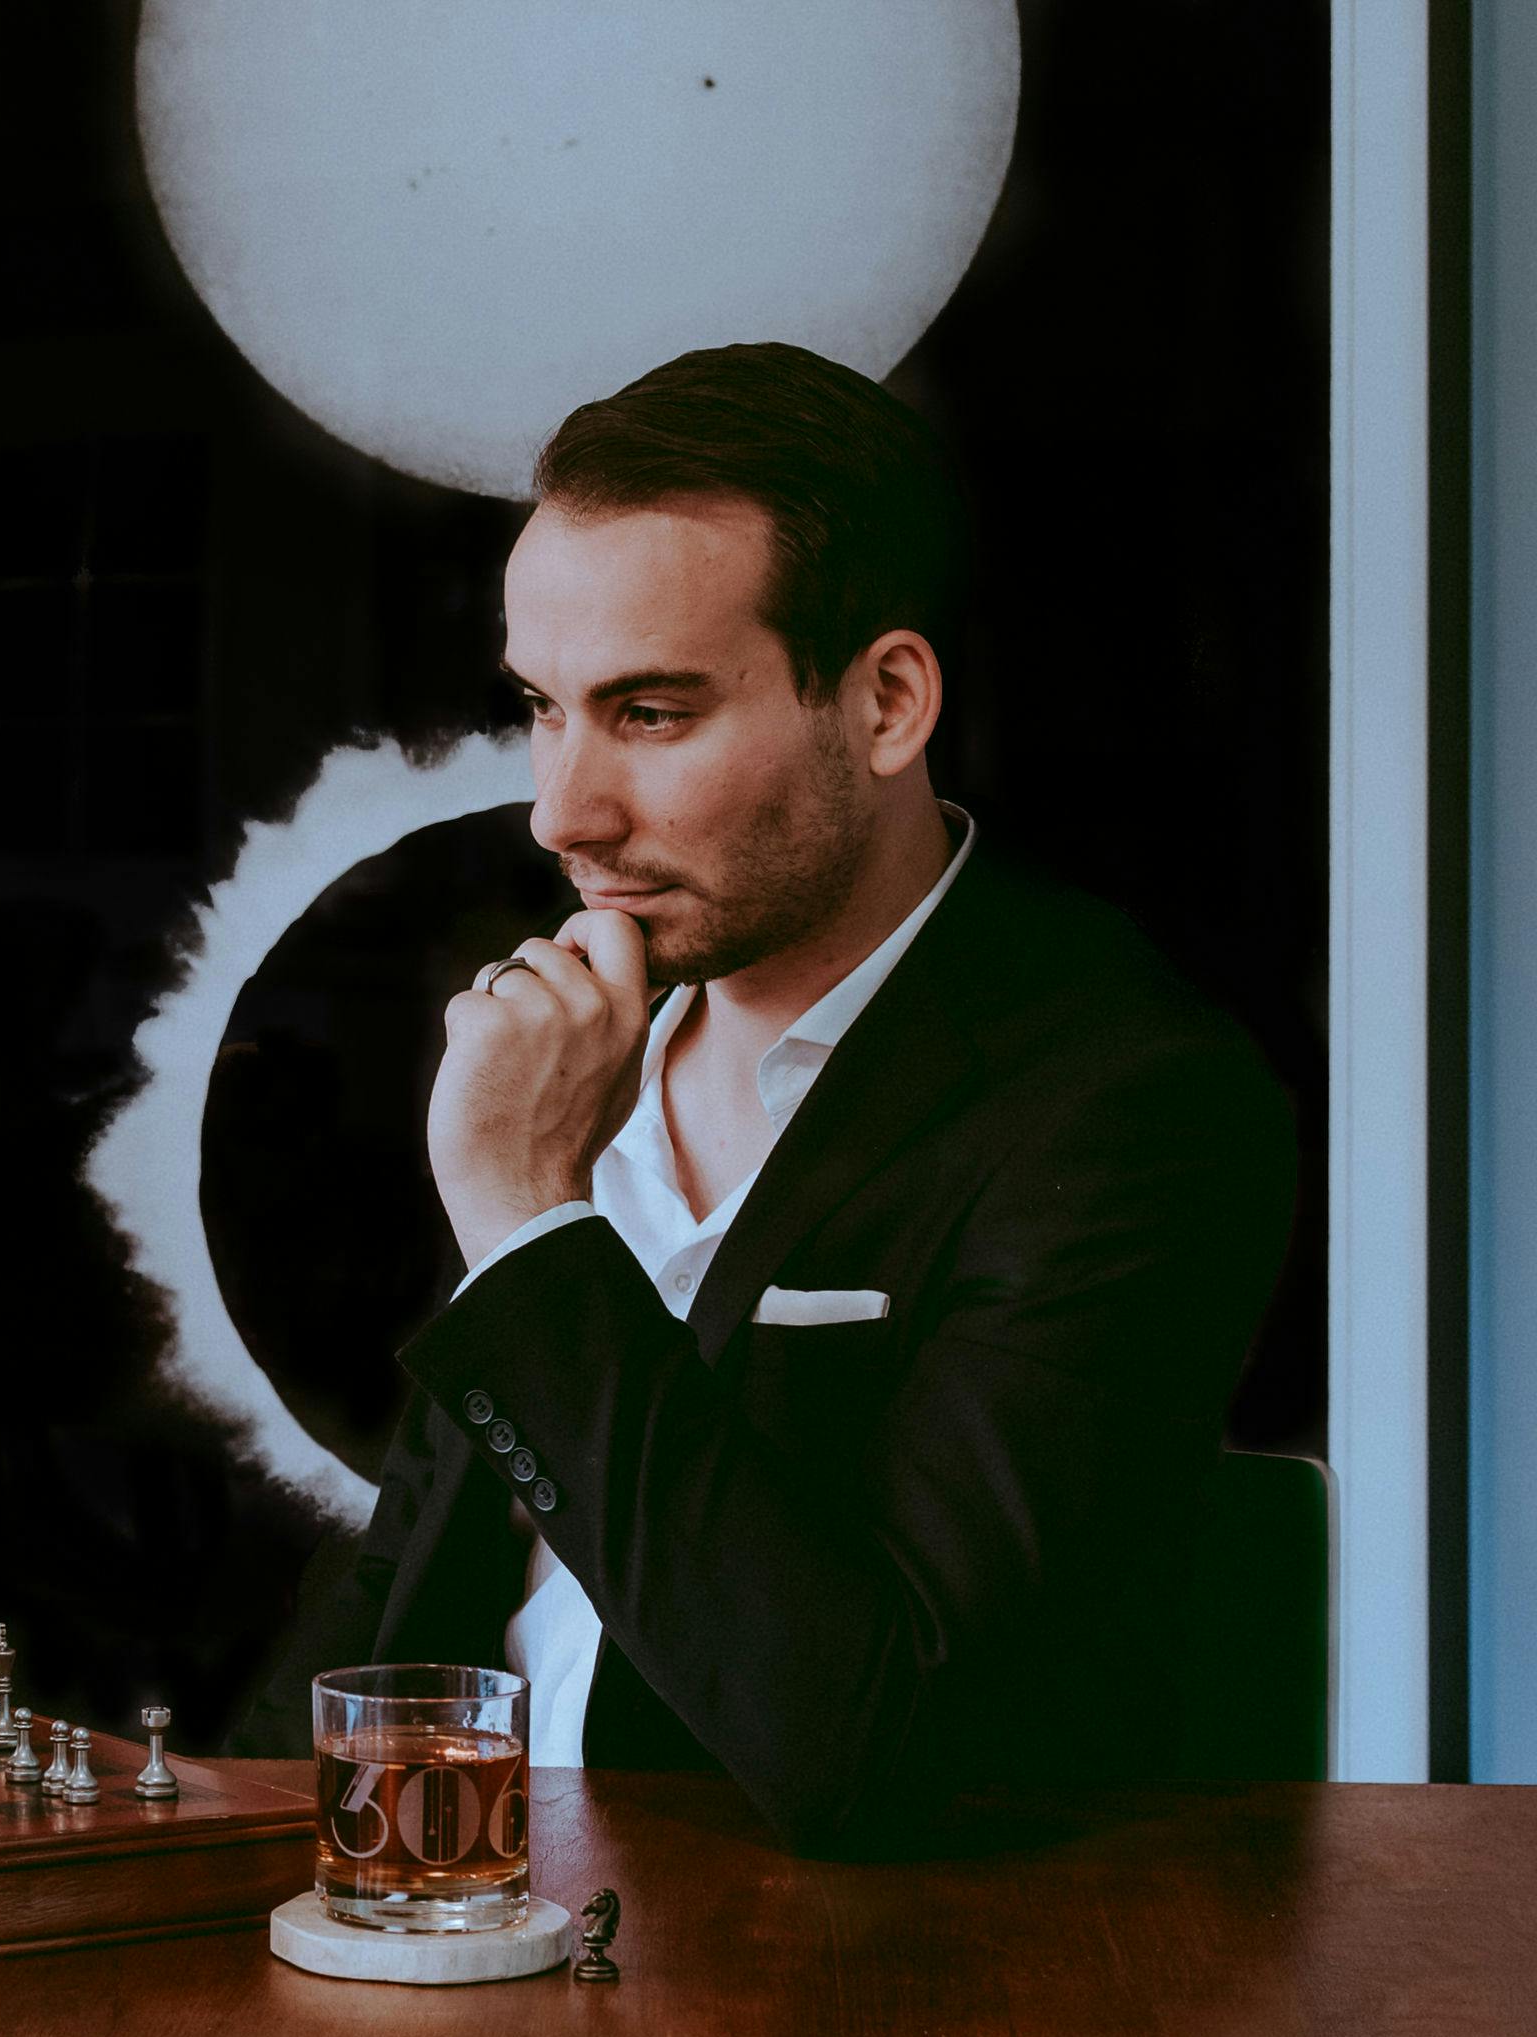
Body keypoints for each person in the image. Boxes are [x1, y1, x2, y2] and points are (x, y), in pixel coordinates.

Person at [229, 342, 1295, 1845]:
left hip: (830, 2024)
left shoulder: (1127, 1111)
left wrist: (528, 1226)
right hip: (463, 1947)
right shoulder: (575, 1047)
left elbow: (885, 1744)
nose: (562, 811)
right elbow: (399, 1592)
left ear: (886, 703)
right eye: (544, 705)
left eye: (652, 714)